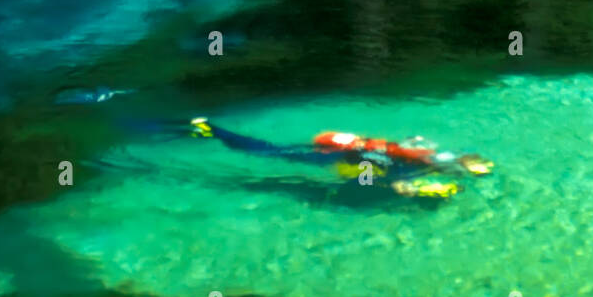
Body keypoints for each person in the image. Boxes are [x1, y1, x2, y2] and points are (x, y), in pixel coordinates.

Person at [188, 118, 493, 198]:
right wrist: (415, 192)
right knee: (266, 151)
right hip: (336, 159)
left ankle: (211, 131)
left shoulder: (424, 156)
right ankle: (211, 132)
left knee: (274, 149)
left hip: (352, 155)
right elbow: (385, 181)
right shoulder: (414, 165)